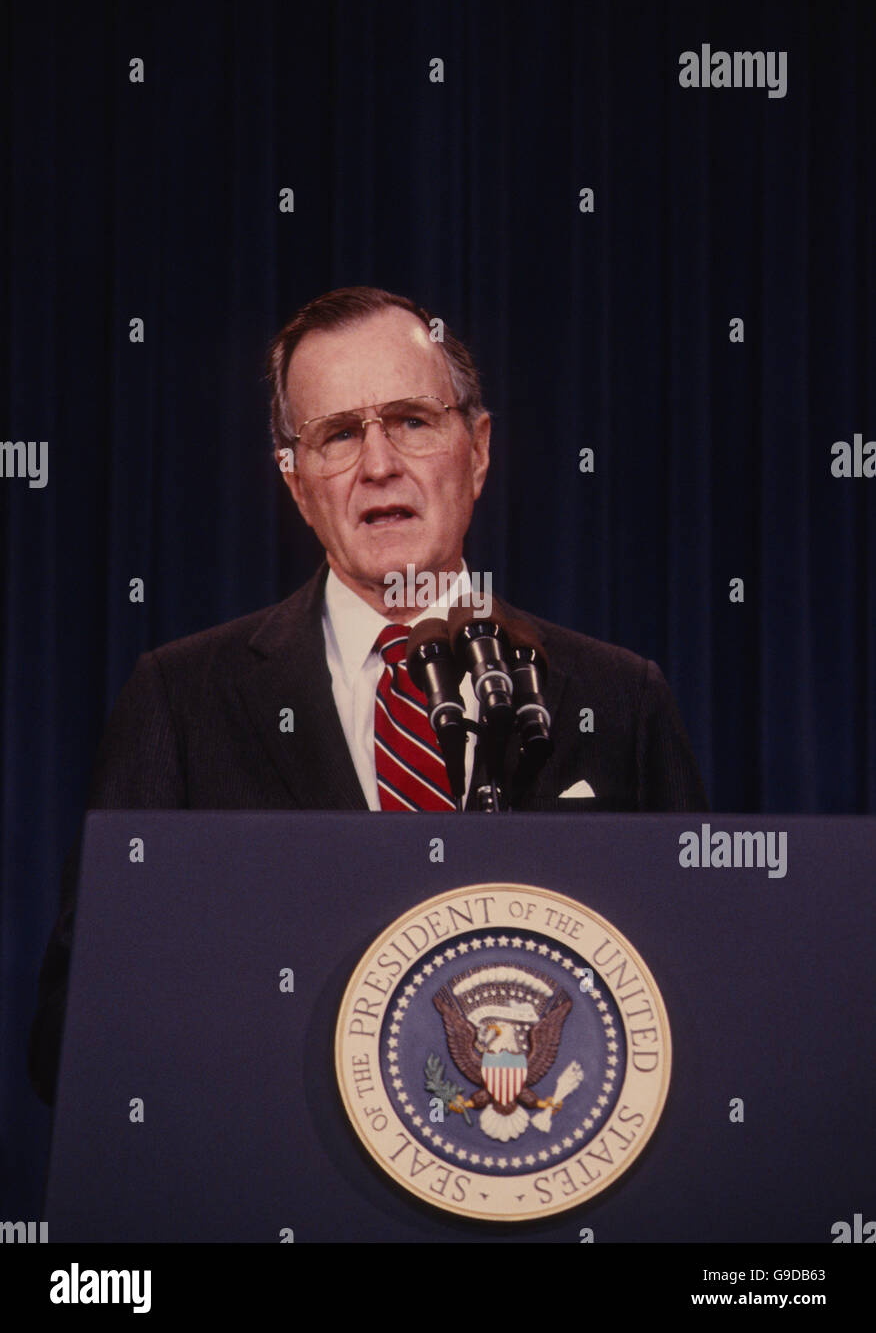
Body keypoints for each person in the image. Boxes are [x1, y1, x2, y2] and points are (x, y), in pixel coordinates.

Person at [29, 285, 707, 1104]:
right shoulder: (181, 700)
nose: (379, 464)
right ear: (296, 481)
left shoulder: (617, 698)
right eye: (338, 436)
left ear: (479, 447)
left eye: (413, 422)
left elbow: (696, 1005)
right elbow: (76, 1034)